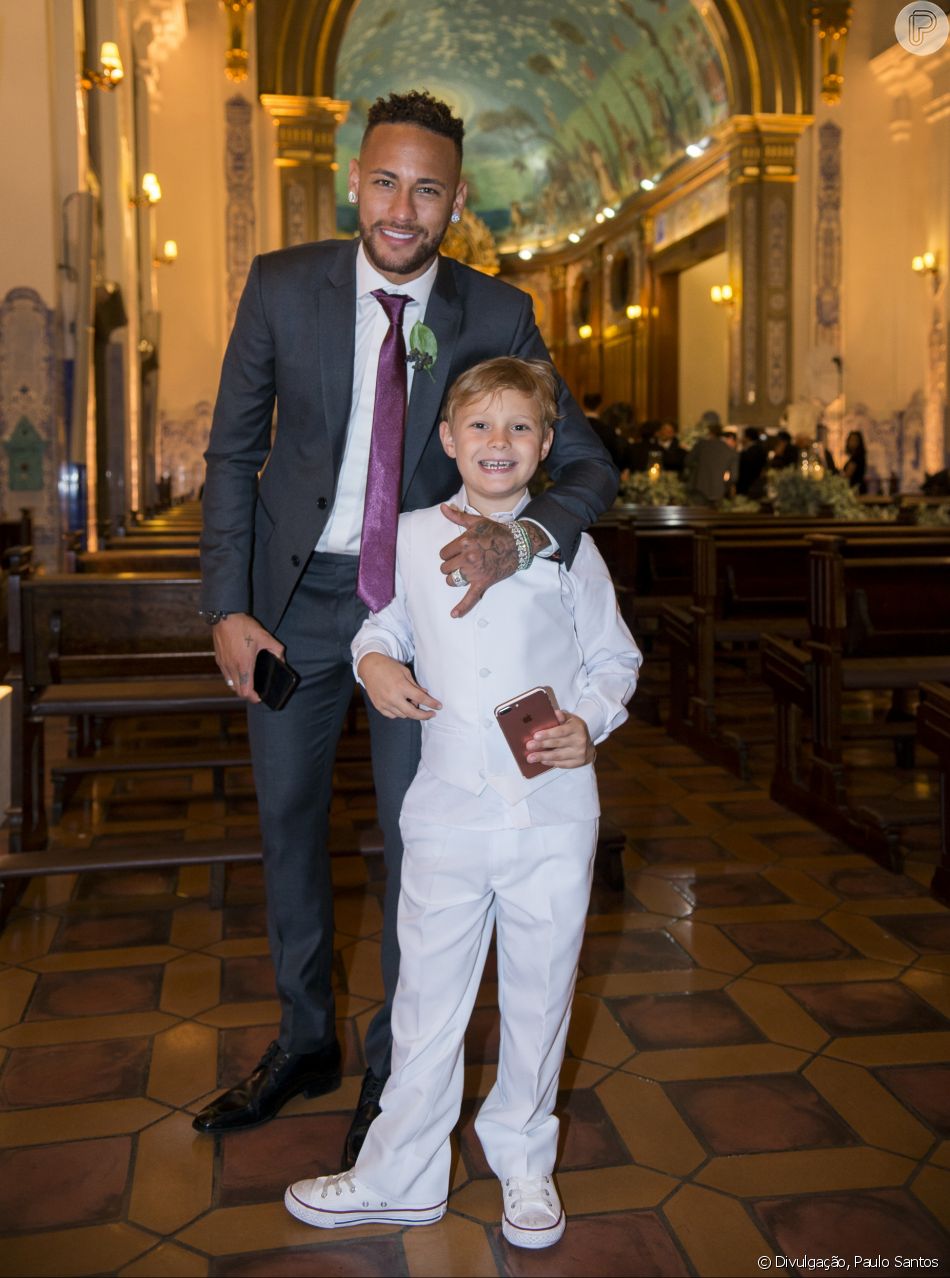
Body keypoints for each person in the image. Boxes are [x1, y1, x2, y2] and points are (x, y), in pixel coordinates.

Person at [194, 92, 618, 1163]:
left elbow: (584, 464)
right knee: (290, 827)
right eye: (385, 181)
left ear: (456, 200)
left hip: (423, 617)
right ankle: (303, 1041)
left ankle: (396, 1070)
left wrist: (520, 543)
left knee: (412, 841)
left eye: (427, 188)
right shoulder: (283, 286)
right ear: (354, 180)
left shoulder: (493, 309)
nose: (402, 206)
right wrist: (227, 608)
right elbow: (230, 455)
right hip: (291, 607)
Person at [284, 356, 641, 1247]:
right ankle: (401, 1168)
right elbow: (385, 622)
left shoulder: (568, 546)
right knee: (427, 999)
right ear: (445, 439)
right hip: (444, 803)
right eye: (480, 426)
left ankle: (524, 1160)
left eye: (520, 427)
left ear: (546, 445)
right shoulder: (405, 535)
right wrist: (374, 662)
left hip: (553, 808)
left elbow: (616, 662)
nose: (499, 443)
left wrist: (588, 723)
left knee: (539, 994)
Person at [683, 411, 734, 505]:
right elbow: (733, 475)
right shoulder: (728, 449)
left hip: (699, 489)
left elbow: (688, 462)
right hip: (718, 490)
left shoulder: (701, 445)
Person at [736, 425, 768, 497]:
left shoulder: (750, 451)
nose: (741, 438)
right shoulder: (760, 449)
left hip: (747, 484)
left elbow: (744, 467)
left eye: (743, 436)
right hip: (756, 483)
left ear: (748, 437)